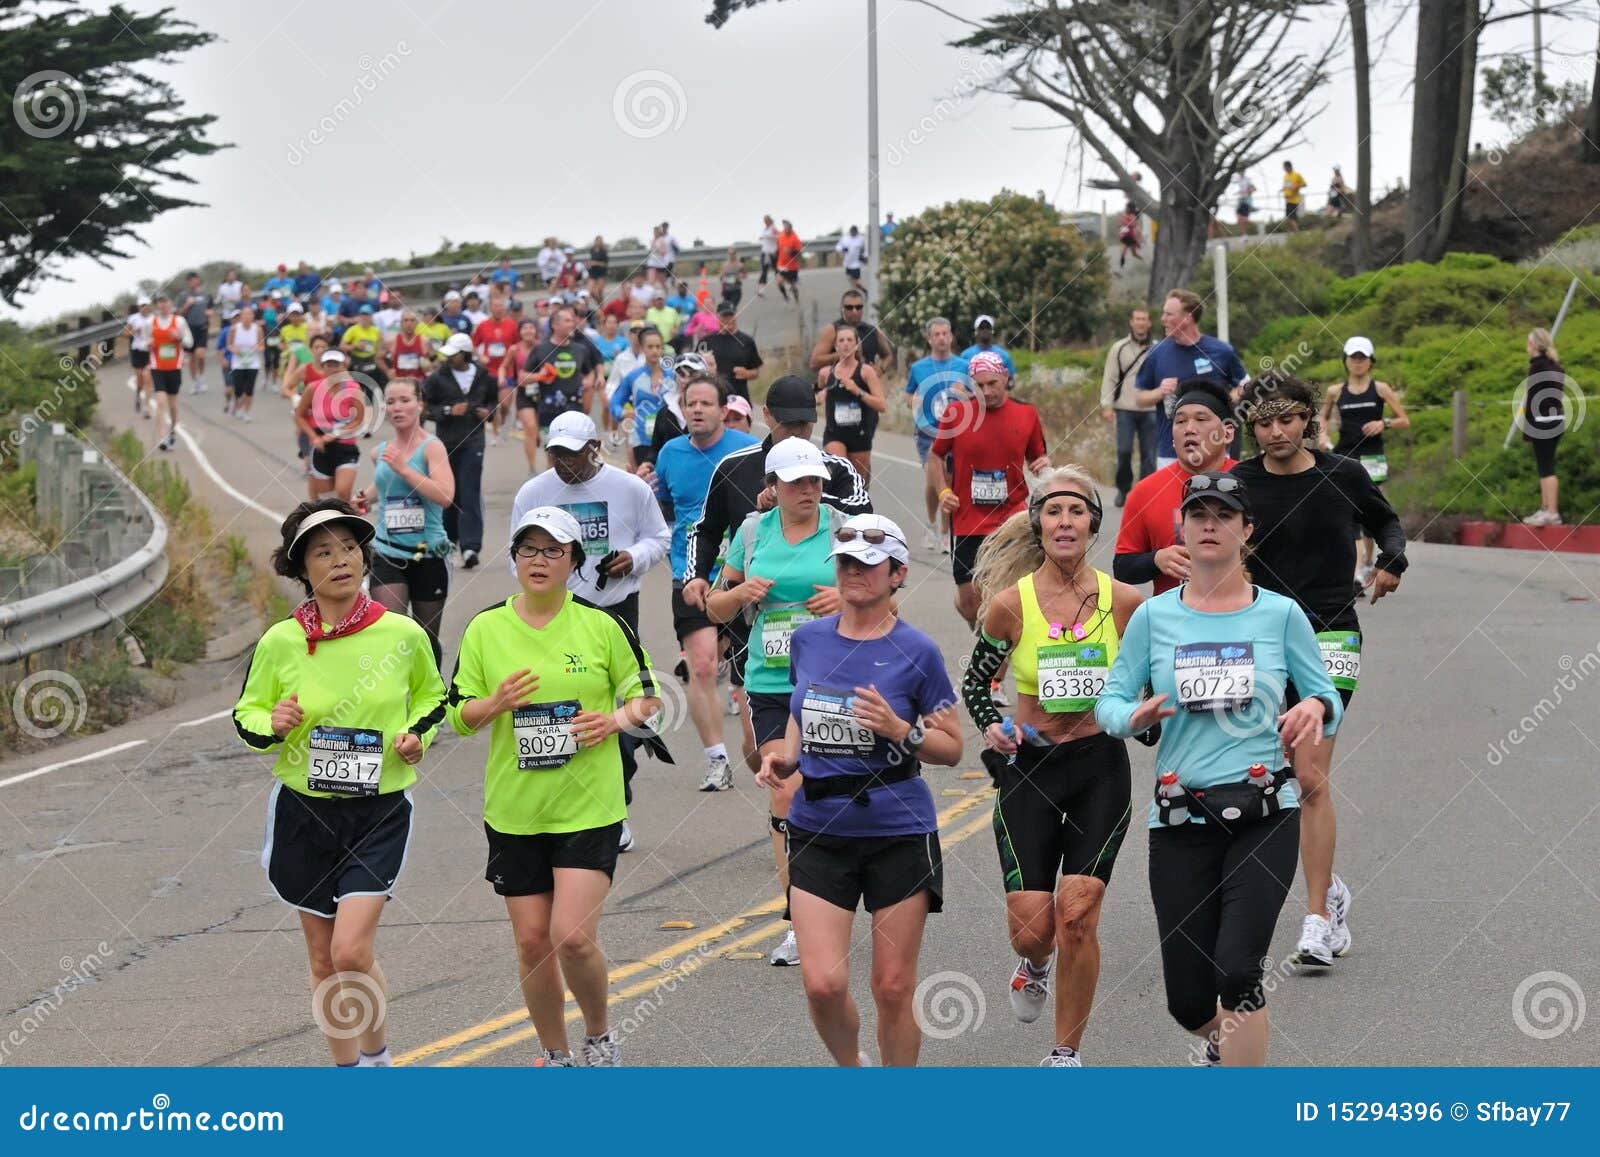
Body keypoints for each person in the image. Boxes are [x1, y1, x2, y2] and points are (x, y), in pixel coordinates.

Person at [1097, 472, 1342, 1066]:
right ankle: (1224, 1045)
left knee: (1237, 969)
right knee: (1187, 999)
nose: (1210, 525)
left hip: (1264, 811)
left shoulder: (1281, 615)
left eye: (1224, 515)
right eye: (1198, 514)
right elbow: (1108, 702)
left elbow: (1326, 697)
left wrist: (1312, 705)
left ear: (1246, 531)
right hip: (1181, 817)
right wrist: (1135, 715)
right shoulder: (1154, 618)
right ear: (1182, 529)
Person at [233, 498, 446, 1069]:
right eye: (323, 552)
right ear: (302, 568)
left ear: (364, 556)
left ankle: (377, 1056)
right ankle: (349, 1073)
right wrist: (271, 723)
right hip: (304, 811)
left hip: (377, 811)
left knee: (351, 952)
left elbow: (433, 698)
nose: (340, 560)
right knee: (324, 959)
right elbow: (247, 716)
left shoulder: (401, 634)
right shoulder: (281, 642)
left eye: (349, 547)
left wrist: (415, 733)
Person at [446, 506, 662, 1068]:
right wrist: (495, 704)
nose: (539, 561)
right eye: (528, 550)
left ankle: (598, 1034)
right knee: (532, 944)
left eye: (553, 551)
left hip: (589, 806)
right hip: (516, 811)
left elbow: (649, 696)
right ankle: (554, 1054)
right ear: (514, 558)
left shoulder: (602, 625)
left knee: (571, 937)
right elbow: (458, 717)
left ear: (573, 561)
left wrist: (615, 721)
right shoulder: (486, 628)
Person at [756, 514, 964, 1066]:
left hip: (898, 829)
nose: (854, 572)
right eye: (845, 562)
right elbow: (803, 710)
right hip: (819, 825)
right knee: (823, 984)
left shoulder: (917, 652)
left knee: (892, 987)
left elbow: (953, 745)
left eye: (868, 564)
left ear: (897, 574)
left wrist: (901, 730)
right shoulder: (808, 639)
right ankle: (853, 1072)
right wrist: (785, 759)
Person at [963, 467, 1143, 1066]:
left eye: (1077, 512)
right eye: (1053, 512)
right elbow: (975, 683)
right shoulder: (1009, 607)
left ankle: (1065, 1054)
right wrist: (992, 722)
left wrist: (1149, 719)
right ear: (1038, 524)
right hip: (1032, 767)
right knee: (1034, 929)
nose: (1065, 522)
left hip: (1100, 764)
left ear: (1093, 523)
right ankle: (1032, 964)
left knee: (1078, 915)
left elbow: (1146, 680)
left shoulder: (1123, 603)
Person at [1230, 373, 1406, 970]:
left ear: (1309, 417)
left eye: (1287, 419)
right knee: (1268, 775)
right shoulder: (1238, 485)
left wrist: (1392, 561)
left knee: (1308, 774)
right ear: (1250, 427)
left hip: (1331, 634)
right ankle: (1329, 887)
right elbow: (1210, 544)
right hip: (1261, 639)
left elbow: (1386, 522)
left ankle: (1316, 919)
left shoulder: (1343, 475)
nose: (1277, 432)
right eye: (1264, 422)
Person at [681, 375, 871, 762]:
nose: (797, 432)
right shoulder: (733, 467)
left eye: (805, 424)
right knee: (757, 750)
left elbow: (867, 529)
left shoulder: (837, 470)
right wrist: (697, 576)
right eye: (788, 424)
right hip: (756, 616)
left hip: (825, 617)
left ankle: (795, 809)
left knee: (811, 753)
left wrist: (794, 497)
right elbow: (705, 528)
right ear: (766, 417)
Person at [707, 439, 844, 969]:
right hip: (771, 680)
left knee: (826, 792)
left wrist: (845, 598)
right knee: (785, 791)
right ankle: (798, 922)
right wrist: (741, 595)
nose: (808, 490)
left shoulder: (842, 529)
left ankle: (836, 894)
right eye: (796, 482)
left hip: (834, 678)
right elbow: (715, 606)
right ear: (774, 487)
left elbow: (885, 598)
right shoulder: (749, 532)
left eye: (814, 481)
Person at [509, 412, 673, 852]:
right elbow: (514, 556)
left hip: (614, 608)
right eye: (556, 454)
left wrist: (631, 558)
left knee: (621, 711)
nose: (564, 463)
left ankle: (615, 807)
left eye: (573, 454)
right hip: (554, 615)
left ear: (595, 447)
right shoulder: (534, 492)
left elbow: (659, 538)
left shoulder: (630, 488)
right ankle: (560, 810)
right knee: (562, 711)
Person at [638, 377, 760, 792]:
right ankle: (717, 759)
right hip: (690, 572)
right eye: (691, 403)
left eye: (707, 403)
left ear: (723, 409)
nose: (698, 410)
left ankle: (759, 744)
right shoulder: (670, 454)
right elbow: (666, 509)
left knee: (749, 669)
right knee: (702, 664)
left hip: (742, 571)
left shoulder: (747, 450)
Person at [929, 351, 1049, 639]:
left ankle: (993, 672)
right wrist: (943, 491)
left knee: (1004, 601)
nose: (987, 391)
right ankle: (988, 640)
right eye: (979, 385)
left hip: (1012, 521)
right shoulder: (956, 414)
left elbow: (1038, 457)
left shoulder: (1026, 413)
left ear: (1006, 377)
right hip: (968, 521)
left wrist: (1042, 464)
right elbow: (935, 456)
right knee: (971, 603)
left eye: (992, 383)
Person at [354, 377, 456, 671]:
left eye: (405, 400)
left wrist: (404, 469)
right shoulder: (380, 451)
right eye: (390, 402)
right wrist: (364, 499)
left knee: (425, 638)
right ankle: (396, 704)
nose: (397, 408)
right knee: (392, 632)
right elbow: (384, 488)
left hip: (427, 554)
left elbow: (445, 495)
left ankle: (431, 702)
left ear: (420, 405)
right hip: (387, 552)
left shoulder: (431, 448)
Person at [1113, 379, 1239, 596]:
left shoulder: (1250, 481)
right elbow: (1123, 568)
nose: (1189, 429)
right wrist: (1156, 559)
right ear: (1172, 439)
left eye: (1201, 419)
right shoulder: (1145, 491)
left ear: (1227, 433)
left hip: (1243, 617)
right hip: (1173, 622)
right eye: (1180, 422)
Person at [1318, 336, 1411, 580]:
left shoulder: (1380, 389)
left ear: (1371, 361)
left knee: (1370, 508)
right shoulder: (1335, 392)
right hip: (1344, 455)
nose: (1358, 363)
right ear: (1346, 361)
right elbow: (1323, 418)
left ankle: (1369, 561)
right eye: (1353, 358)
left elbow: (1404, 420)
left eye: (1362, 358)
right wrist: (1322, 436)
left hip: (1373, 456)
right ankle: (1355, 567)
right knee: (1347, 508)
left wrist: (1384, 423)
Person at [1133, 289, 1247, 469]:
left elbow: (1245, 384)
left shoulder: (1221, 351)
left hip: (1214, 449)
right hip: (1170, 453)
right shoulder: (1157, 353)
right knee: (1173, 498)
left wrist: (1224, 402)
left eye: (1169, 314)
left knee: (1214, 497)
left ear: (1187, 317)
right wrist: (1159, 392)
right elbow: (1139, 399)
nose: (1162, 319)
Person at [422, 332, 498, 568]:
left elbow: (494, 403)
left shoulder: (484, 376)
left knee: (470, 493)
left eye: (453, 354)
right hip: (445, 444)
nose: (449, 358)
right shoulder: (437, 378)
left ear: (465, 355)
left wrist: (488, 412)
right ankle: (449, 541)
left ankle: (470, 548)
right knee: (448, 495)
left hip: (474, 442)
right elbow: (425, 408)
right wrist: (446, 411)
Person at [905, 318, 971, 550]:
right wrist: (914, 401)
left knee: (949, 480)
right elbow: (907, 396)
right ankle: (932, 525)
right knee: (934, 476)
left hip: (955, 432)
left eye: (945, 333)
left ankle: (946, 532)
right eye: (937, 334)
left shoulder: (963, 366)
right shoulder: (919, 368)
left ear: (951, 337)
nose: (942, 338)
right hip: (927, 432)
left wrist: (965, 394)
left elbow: (976, 396)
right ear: (929, 339)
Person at [518, 304, 603, 472]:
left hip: (574, 410)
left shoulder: (580, 349)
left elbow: (589, 372)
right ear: (555, 325)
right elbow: (522, 378)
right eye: (568, 320)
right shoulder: (541, 349)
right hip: (549, 410)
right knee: (555, 457)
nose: (572, 324)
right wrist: (540, 376)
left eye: (573, 320)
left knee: (578, 455)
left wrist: (590, 381)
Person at [817, 323, 887, 485]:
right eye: (841, 340)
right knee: (839, 473)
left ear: (857, 345)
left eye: (849, 340)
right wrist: (819, 397)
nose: (845, 344)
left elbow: (881, 405)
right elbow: (817, 392)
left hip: (860, 434)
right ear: (835, 346)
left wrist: (857, 391)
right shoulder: (826, 373)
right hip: (834, 433)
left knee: (857, 482)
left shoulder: (866, 372)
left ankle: (857, 507)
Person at [1100, 308, 1156, 507]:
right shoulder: (1119, 348)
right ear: (1131, 322)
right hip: (1124, 407)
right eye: (1137, 319)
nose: (1140, 323)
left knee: (1149, 454)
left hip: (1151, 409)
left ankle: (1144, 492)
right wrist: (1106, 405)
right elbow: (1110, 377)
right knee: (1124, 451)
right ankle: (1123, 488)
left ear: (1149, 323)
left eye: (1144, 319)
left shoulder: (1157, 348)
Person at [295, 348, 366, 502]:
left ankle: (350, 524)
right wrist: (314, 437)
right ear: (323, 367)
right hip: (321, 447)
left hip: (345, 446)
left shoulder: (353, 389)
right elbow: (299, 416)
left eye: (336, 364)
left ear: (343, 366)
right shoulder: (313, 388)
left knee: (343, 493)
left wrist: (334, 435)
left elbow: (358, 420)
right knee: (327, 500)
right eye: (328, 364)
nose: (333, 368)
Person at [1517, 328, 1568, 526]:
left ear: (1535, 345)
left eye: (1529, 343)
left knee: (1546, 468)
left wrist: (1528, 430)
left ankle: (1552, 511)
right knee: (1546, 465)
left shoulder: (1537, 367)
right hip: (1557, 420)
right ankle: (1546, 508)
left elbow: (1533, 401)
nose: (1527, 347)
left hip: (1542, 423)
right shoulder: (1555, 366)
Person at [609, 325, 673, 469]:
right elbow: (615, 402)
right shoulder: (633, 377)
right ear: (642, 348)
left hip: (668, 437)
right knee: (645, 482)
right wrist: (624, 413)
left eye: (658, 346)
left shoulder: (673, 377)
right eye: (650, 347)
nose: (654, 351)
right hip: (641, 438)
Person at [811, 289, 894, 375]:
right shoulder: (833, 330)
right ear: (842, 309)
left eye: (858, 307)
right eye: (849, 307)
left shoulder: (872, 330)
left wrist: (881, 369)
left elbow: (888, 355)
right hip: (840, 383)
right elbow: (814, 363)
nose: (854, 311)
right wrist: (841, 354)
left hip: (866, 384)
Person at [148, 294, 193, 452]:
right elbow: (140, 342)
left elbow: (189, 342)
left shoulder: (179, 322)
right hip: (157, 366)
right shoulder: (150, 322)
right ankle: (162, 437)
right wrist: (147, 343)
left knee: (173, 404)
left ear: (171, 303)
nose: (162, 305)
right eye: (160, 302)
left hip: (174, 367)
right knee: (160, 401)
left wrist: (179, 337)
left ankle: (172, 431)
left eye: (165, 301)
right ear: (157, 306)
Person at [697, 300, 764, 400]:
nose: (728, 319)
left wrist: (746, 373)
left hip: (739, 398)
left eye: (731, 315)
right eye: (724, 316)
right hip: (712, 399)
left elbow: (756, 371)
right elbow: (694, 368)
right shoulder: (706, 341)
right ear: (717, 317)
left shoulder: (747, 341)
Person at [227, 304, 263, 423]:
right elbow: (229, 344)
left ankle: (246, 412)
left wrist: (259, 348)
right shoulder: (234, 329)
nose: (247, 317)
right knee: (238, 389)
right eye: (245, 314)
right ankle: (237, 404)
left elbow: (262, 345)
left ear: (253, 316)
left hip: (253, 363)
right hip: (238, 363)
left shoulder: (257, 329)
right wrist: (234, 350)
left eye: (249, 314)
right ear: (241, 316)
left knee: (249, 389)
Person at [124, 296, 154, 419]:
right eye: (142, 305)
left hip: (149, 351)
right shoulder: (133, 319)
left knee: (148, 378)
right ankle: (138, 395)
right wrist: (134, 330)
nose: (144, 307)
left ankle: (146, 407)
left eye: (146, 305)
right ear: (138, 307)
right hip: (137, 350)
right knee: (140, 379)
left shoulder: (154, 319)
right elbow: (125, 334)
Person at [775, 219, 804, 304]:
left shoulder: (795, 238)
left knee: (792, 285)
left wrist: (790, 251)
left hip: (792, 266)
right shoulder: (781, 235)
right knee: (779, 281)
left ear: (790, 228)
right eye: (784, 227)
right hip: (781, 264)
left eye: (787, 227)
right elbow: (778, 247)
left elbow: (799, 253)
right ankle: (786, 297)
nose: (785, 229)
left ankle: (796, 299)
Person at [836, 225, 867, 290]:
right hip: (848, 262)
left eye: (854, 231)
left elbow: (864, 249)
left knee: (854, 279)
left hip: (856, 263)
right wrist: (843, 249)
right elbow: (838, 246)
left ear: (857, 231)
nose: (853, 233)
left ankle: (853, 292)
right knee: (849, 278)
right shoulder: (845, 238)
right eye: (852, 231)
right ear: (850, 231)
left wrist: (864, 256)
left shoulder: (861, 239)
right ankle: (862, 288)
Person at [756, 214, 779, 298]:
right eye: (764, 221)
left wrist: (770, 237)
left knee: (777, 271)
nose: (765, 222)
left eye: (766, 220)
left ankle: (784, 285)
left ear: (769, 220)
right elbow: (765, 237)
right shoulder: (765, 229)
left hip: (772, 252)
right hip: (765, 252)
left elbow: (779, 237)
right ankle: (761, 290)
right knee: (764, 271)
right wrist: (762, 238)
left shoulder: (773, 228)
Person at [1281, 159, 1307, 232]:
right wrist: (1282, 189)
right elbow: (1286, 186)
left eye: (1285, 167)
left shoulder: (1296, 175)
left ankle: (1297, 234)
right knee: (1289, 220)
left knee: (1290, 219)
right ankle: (1295, 233)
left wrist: (1296, 186)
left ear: (1289, 167)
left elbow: (1304, 184)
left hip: (1294, 200)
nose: (1284, 169)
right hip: (1287, 200)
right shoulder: (1285, 176)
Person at [1117, 203, 1142, 268]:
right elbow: (1121, 224)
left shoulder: (1132, 216)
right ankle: (1120, 268)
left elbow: (1134, 225)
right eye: (1126, 207)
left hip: (1131, 237)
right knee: (1122, 253)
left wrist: (1126, 224)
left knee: (1134, 254)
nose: (1125, 209)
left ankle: (1144, 261)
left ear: (1130, 209)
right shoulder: (1125, 216)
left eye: (1127, 208)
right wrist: (1121, 226)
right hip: (1125, 237)